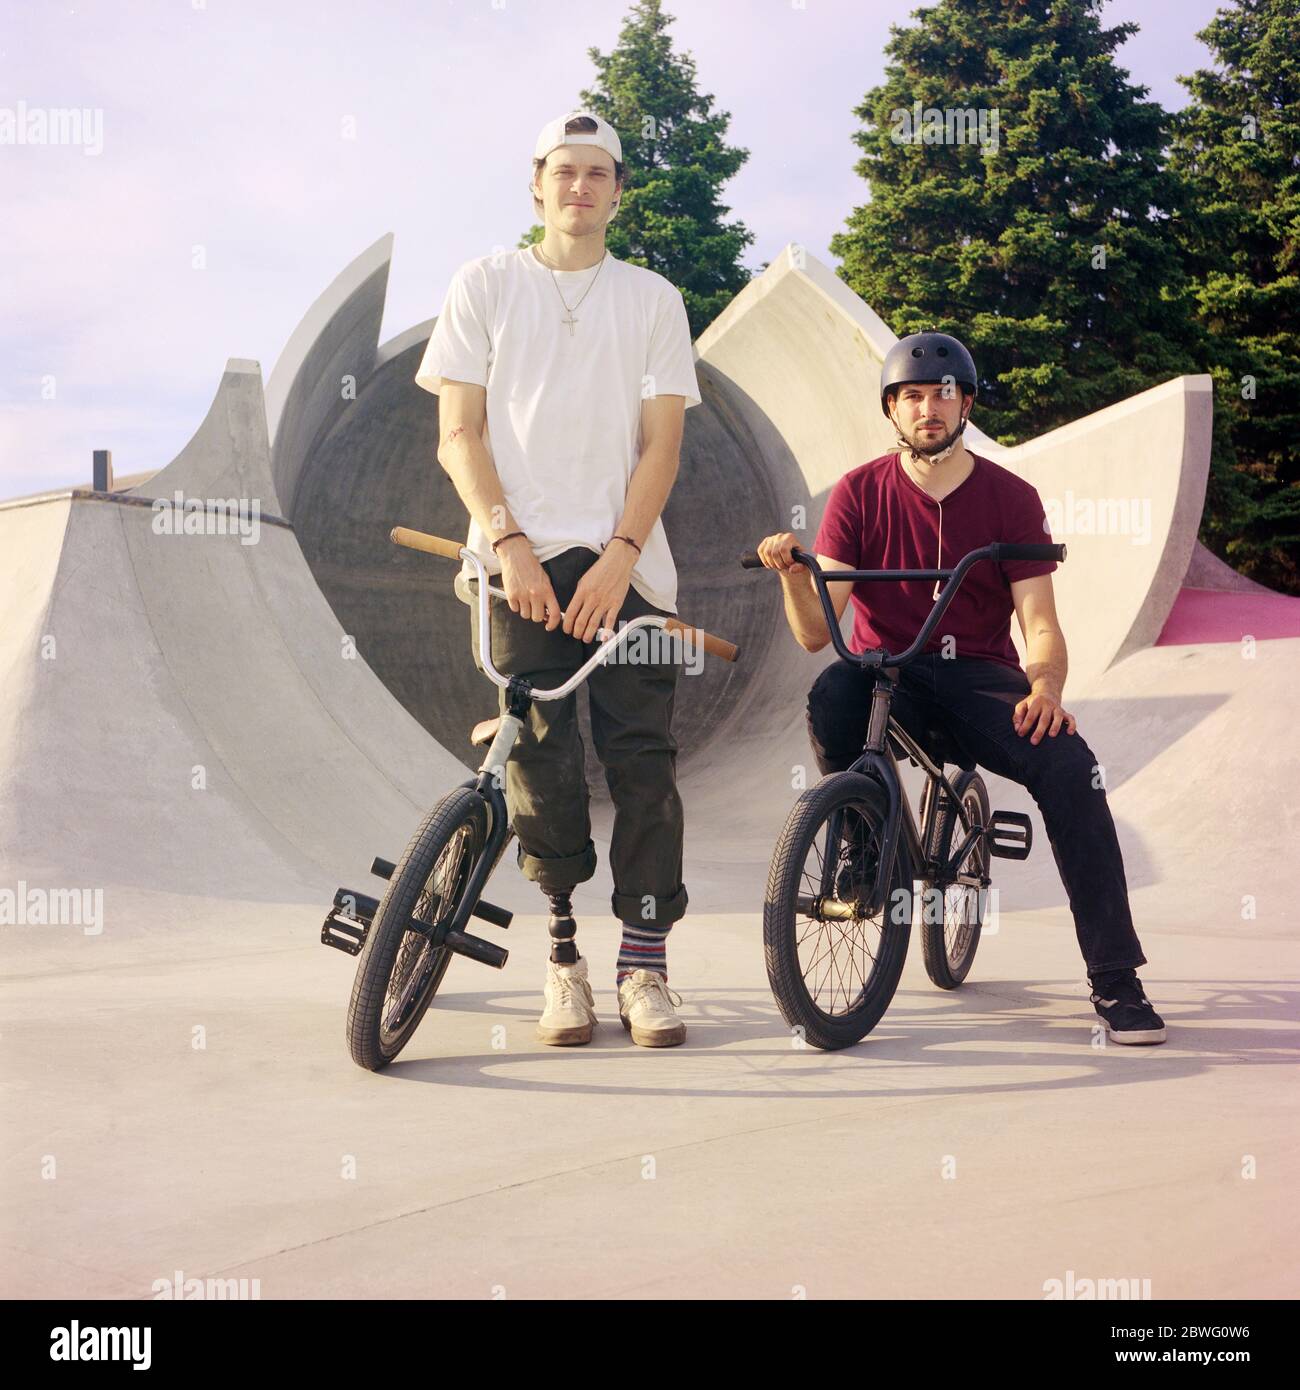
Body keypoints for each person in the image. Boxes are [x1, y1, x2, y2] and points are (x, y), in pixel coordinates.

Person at [756, 331, 1167, 1045]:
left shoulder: (1011, 499)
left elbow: (1040, 623)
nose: (927, 408)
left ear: (966, 403)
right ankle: (859, 845)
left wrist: (1046, 690)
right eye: (910, 396)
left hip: (981, 679)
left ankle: (1116, 979)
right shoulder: (860, 492)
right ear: (892, 410)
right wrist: (798, 577)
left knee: (1074, 771)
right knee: (832, 694)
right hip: (890, 673)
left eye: (941, 394)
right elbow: (817, 633)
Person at [414, 109, 701, 1048]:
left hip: (632, 571)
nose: (580, 187)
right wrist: (508, 545)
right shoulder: (486, 284)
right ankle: (565, 962)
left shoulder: (653, 298)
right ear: (536, 183)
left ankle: (646, 969)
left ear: (619, 190)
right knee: (539, 762)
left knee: (644, 765)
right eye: (564, 171)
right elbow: (461, 433)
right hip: (516, 564)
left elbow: (663, 444)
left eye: (598, 174)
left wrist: (620, 554)